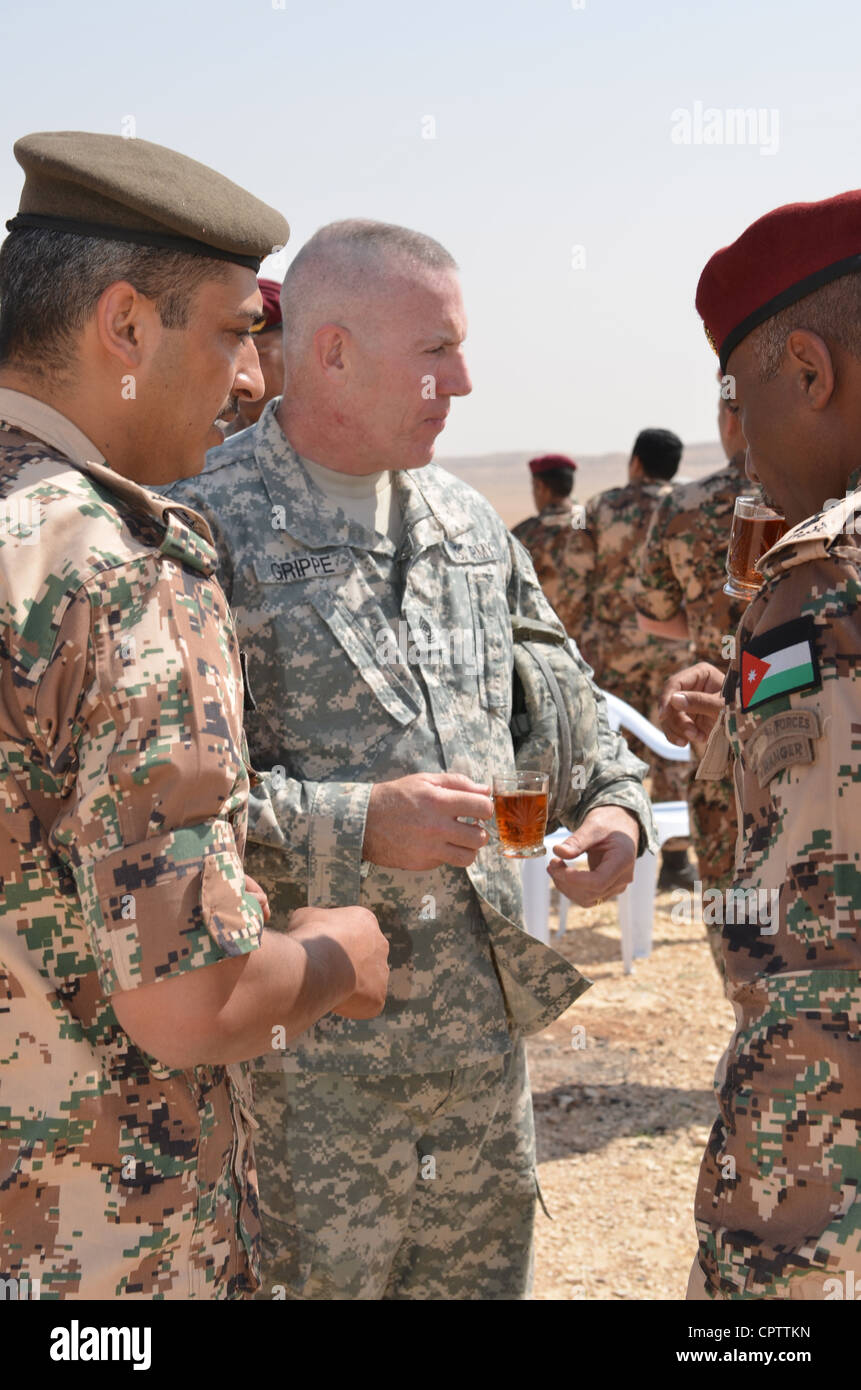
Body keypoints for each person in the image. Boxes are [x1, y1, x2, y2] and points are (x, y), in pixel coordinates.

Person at [166, 218, 657, 1301]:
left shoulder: (470, 527)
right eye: (436, 351)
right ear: (331, 351)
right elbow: (161, 812)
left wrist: (617, 816)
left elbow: (570, 709)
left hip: (480, 1063)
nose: (465, 380)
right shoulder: (203, 526)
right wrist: (353, 825)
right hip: (307, 1075)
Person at [0, 133, 388, 1301]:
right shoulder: (116, 568)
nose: (251, 381)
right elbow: (194, 1001)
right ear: (124, 325)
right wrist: (335, 956)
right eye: (231, 332)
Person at [661, 189, 861, 1300]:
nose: (735, 450)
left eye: (737, 408)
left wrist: (763, 1257)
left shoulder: (826, 576)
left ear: (808, 369)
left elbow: (816, 966)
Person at [634, 388, 750, 963]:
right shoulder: (828, 495)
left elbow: (655, 617)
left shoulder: (688, 505)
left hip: (721, 726)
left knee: (733, 904)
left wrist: (710, 622)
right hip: (828, 723)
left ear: (731, 416)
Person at [571, 429, 693, 889]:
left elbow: (575, 573)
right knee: (676, 744)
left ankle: (611, 851)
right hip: (673, 649)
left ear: (636, 463)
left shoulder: (597, 507)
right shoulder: (688, 506)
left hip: (612, 650)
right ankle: (678, 864)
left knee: (610, 747)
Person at [511, 454, 587, 632]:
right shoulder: (591, 526)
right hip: (590, 638)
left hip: (546, 638)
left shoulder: (525, 534)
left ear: (540, 487)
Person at [225, 276, 284, 436]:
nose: (241, 375)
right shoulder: (204, 449)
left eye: (260, 354)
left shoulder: (323, 449)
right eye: (232, 356)